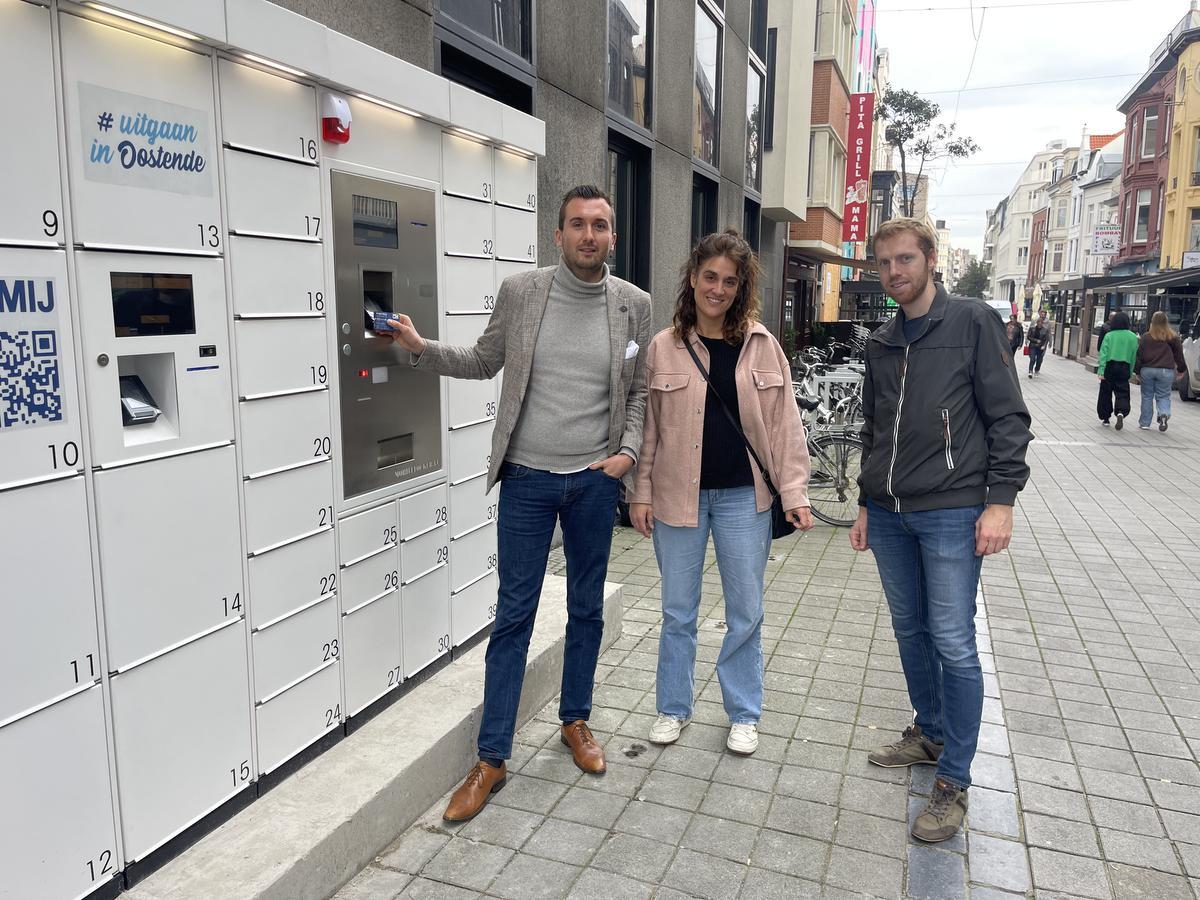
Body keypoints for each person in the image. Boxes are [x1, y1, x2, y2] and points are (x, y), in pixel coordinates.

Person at [379, 185, 652, 821]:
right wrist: (421, 348)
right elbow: (483, 361)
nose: (589, 235)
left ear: (613, 236)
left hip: (594, 481)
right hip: (527, 479)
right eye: (578, 224)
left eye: (601, 225)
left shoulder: (633, 305)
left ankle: (575, 720)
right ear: (558, 235)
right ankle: (492, 757)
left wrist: (627, 454)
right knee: (514, 615)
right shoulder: (522, 293)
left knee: (586, 607)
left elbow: (638, 392)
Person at [849, 218, 1032, 843]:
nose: (894, 272)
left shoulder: (972, 322)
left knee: (953, 641)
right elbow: (874, 428)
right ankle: (929, 733)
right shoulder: (882, 340)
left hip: (953, 509)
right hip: (889, 513)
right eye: (883, 263)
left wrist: (1001, 501)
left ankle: (953, 778)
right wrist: (866, 501)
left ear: (930, 259)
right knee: (910, 630)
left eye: (905, 259)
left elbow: (1008, 417)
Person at [628, 230, 813, 757]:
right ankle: (673, 707)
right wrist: (640, 493)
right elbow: (648, 428)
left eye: (730, 281)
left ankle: (744, 713)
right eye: (710, 277)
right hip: (675, 497)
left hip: (743, 500)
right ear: (693, 278)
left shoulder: (762, 345)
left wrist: (795, 492)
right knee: (677, 612)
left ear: (741, 287)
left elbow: (785, 426)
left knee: (746, 612)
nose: (718, 289)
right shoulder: (664, 347)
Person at [1135, 310, 1187, 431]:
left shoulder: (1145, 337)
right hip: (1165, 371)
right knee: (1163, 395)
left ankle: (1145, 423)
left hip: (1147, 369)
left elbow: (1139, 356)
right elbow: (1179, 355)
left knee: (1147, 396)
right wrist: (1181, 370)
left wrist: (1137, 371)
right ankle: (1163, 414)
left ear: (1152, 322)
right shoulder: (1172, 337)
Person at [1096, 311, 1137, 429]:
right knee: (1123, 391)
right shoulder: (1133, 337)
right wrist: (1130, 370)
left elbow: (1103, 354)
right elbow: (1133, 356)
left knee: (1105, 392)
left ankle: (1105, 417)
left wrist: (1101, 370)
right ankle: (1121, 412)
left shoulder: (1109, 335)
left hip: (1110, 366)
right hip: (1124, 366)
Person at [1025, 310, 1051, 379]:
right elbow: (1029, 336)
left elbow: (1047, 338)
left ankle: (1037, 369)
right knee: (1032, 359)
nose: (1039, 324)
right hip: (1033, 346)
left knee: (1039, 360)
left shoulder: (1045, 329)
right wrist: (1033, 340)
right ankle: (1030, 371)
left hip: (1041, 347)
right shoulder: (1032, 328)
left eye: (1041, 323)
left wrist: (1045, 345)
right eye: (1038, 322)